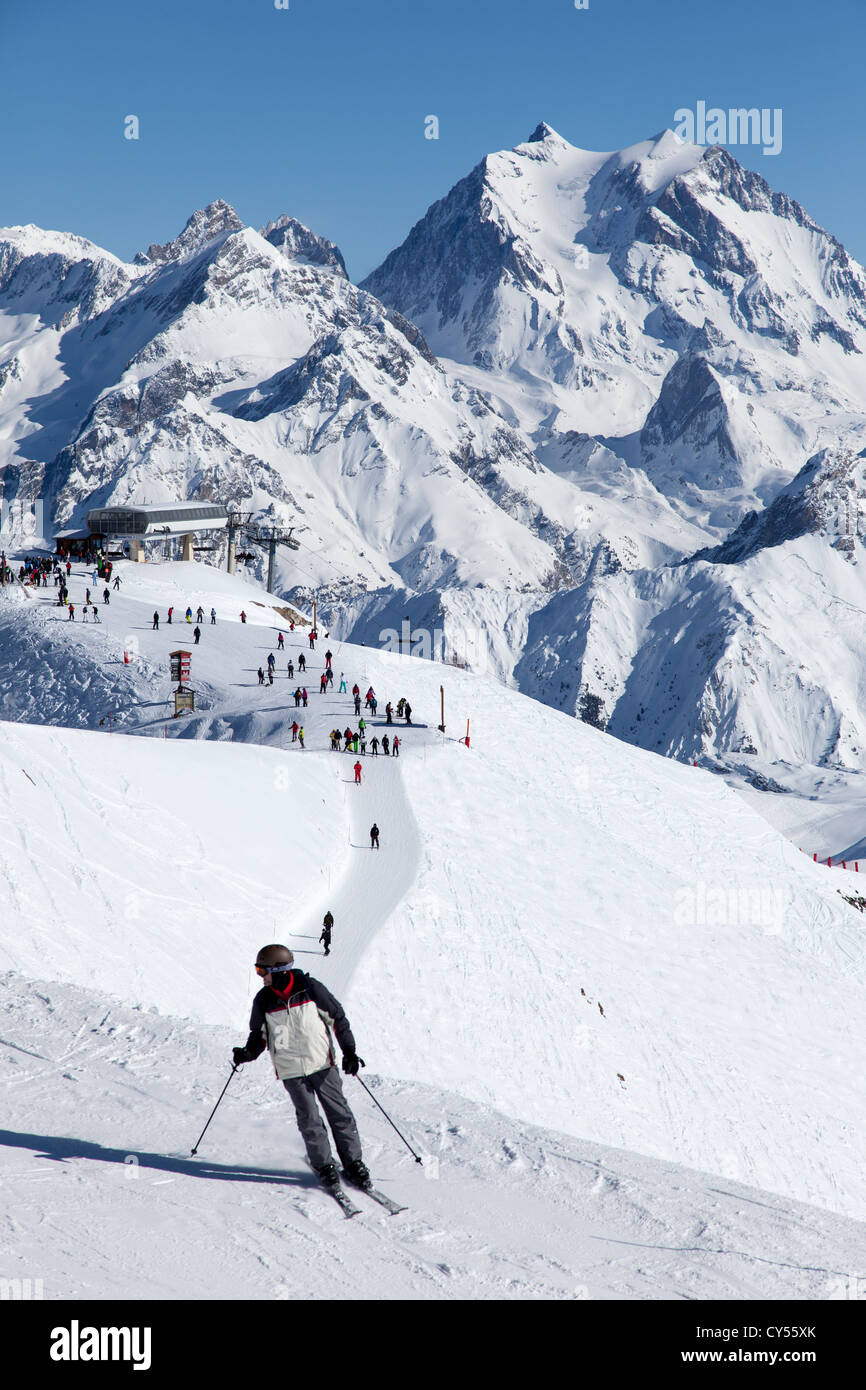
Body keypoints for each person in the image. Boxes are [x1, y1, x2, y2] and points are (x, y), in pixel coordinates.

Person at [232, 945, 369, 1191]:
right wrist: (248, 1053)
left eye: (262, 970)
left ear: (279, 970)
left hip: (321, 1064)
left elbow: (337, 1018)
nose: (260, 976)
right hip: (291, 1071)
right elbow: (259, 1034)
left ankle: (353, 1163)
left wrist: (349, 1052)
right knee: (309, 1119)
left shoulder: (310, 988)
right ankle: (324, 1165)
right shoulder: (264, 1000)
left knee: (339, 1114)